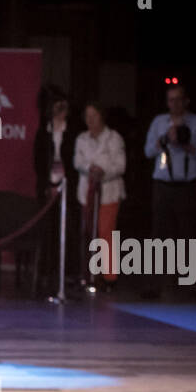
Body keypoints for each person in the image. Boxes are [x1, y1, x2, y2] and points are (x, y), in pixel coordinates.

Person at [142, 84, 196, 299]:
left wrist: (186, 144)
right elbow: (147, 151)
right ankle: (155, 284)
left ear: (186, 101)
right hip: (163, 186)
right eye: (171, 100)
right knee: (159, 236)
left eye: (179, 99)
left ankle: (191, 285)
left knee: (188, 235)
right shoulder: (158, 122)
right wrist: (165, 140)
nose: (175, 104)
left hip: (187, 186)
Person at [73, 102, 127, 293]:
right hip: (87, 192)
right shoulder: (81, 139)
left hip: (108, 192)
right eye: (87, 116)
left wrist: (102, 171)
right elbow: (78, 161)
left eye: (94, 116)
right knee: (88, 232)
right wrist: (91, 168)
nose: (90, 120)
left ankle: (108, 277)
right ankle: (88, 275)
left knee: (105, 233)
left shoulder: (114, 138)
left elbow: (120, 165)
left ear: (101, 117)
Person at [33, 86, 80, 295]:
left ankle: (69, 273)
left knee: (68, 229)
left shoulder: (73, 132)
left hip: (68, 187)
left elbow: (74, 160)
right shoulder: (44, 131)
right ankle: (47, 273)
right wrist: (47, 184)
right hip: (47, 187)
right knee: (48, 230)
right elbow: (38, 160)